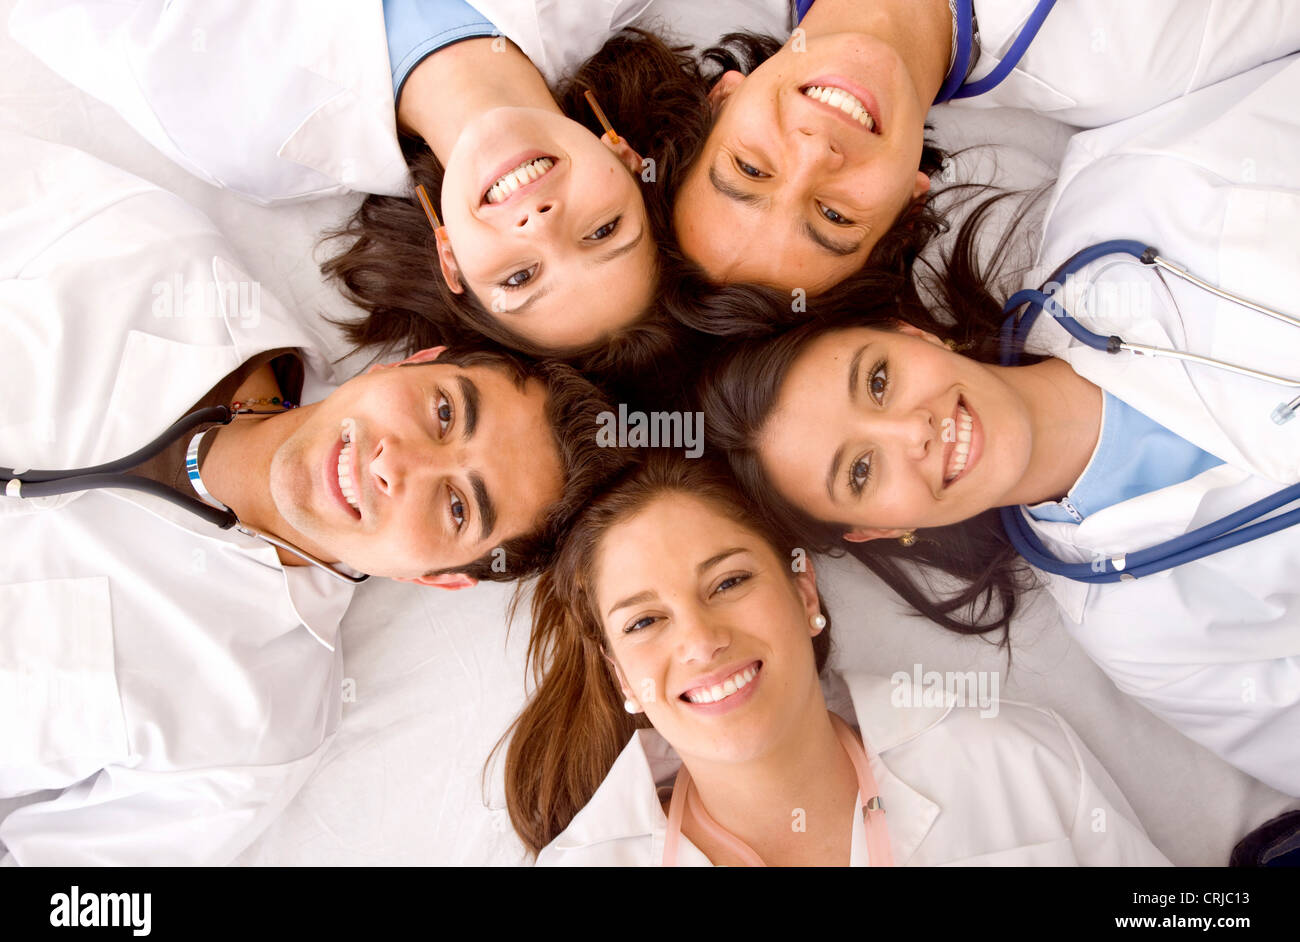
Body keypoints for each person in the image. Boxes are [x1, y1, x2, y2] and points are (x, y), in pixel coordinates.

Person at [0, 134, 626, 865]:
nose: (401, 466)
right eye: (444, 413)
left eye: (457, 508)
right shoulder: (146, 251)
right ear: (414, 362)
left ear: (440, 577)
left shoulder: (248, 738)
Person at [697, 56, 1300, 795]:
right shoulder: (1149, 635)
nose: (910, 433)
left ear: (912, 334)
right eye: (860, 472)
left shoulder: (1137, 188)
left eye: (878, 380)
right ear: (877, 531)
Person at [501, 453, 1169, 866]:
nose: (701, 641)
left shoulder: (1010, 762)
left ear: (803, 590)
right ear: (623, 678)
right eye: (645, 621)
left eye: (730, 582)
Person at [8, 1, 701, 369]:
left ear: (450, 258)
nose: (541, 224)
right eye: (604, 231)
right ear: (625, 155)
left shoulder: (247, 133)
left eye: (519, 279)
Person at [670, 0, 1300, 296]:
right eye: (834, 216)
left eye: (750, 168)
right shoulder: (1138, 60)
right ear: (910, 206)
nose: (814, 153)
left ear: (723, 98)